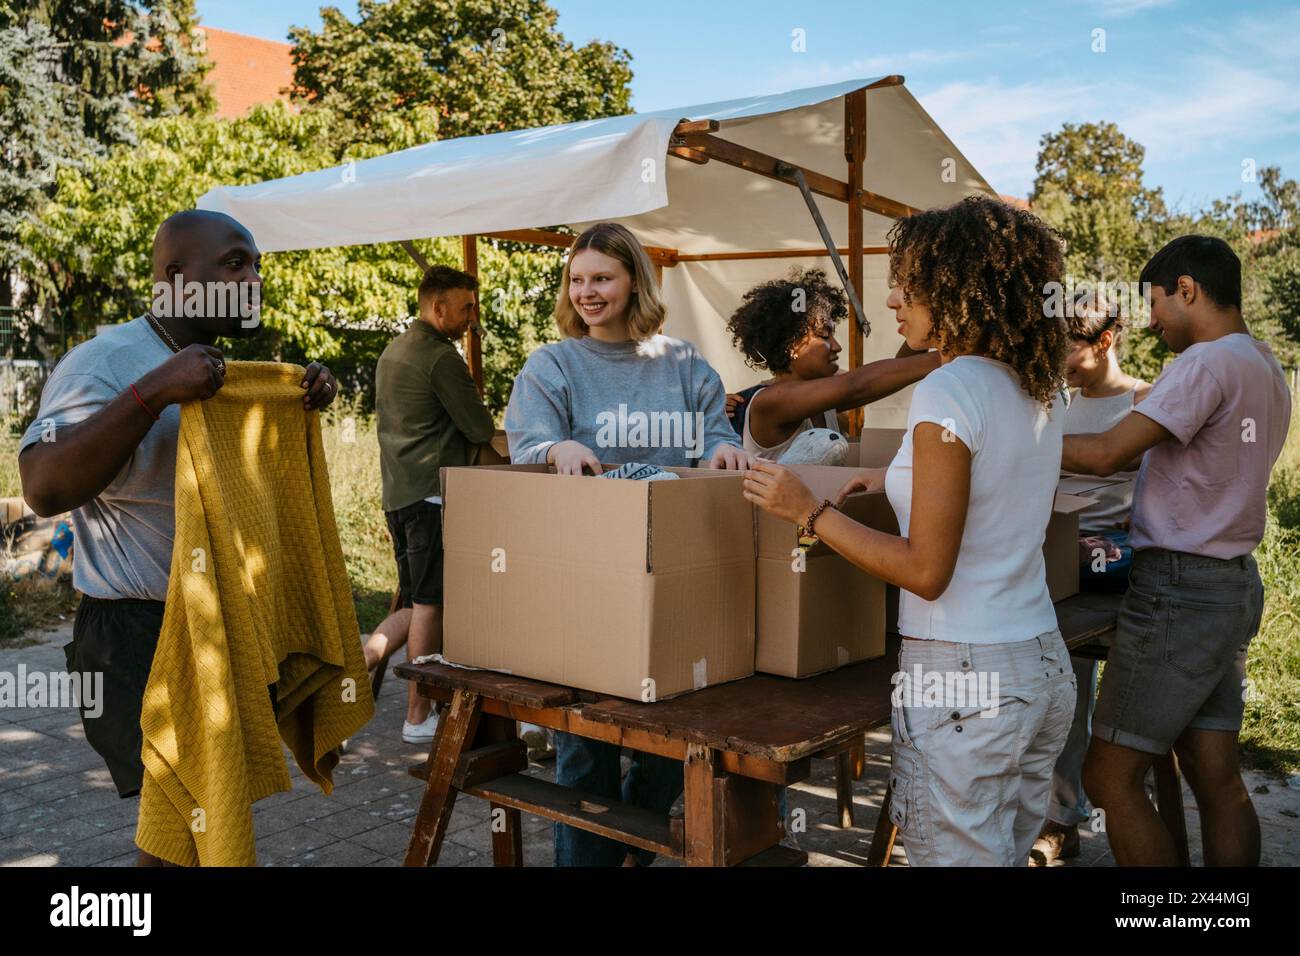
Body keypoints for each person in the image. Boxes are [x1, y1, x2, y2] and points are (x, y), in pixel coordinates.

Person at [743, 195, 1076, 866]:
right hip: (1039, 665)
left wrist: (809, 511)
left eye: (908, 282)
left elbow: (927, 570)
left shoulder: (950, 390)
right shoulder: (1036, 384)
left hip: (962, 672)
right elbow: (990, 496)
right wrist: (892, 486)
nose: (892, 300)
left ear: (959, 288)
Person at [18, 209, 340, 866]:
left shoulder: (219, 365)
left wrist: (299, 396)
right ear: (175, 275)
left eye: (255, 265)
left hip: (216, 630)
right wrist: (152, 393)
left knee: (198, 822)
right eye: (233, 264)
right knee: (180, 827)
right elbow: (43, 486)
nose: (252, 279)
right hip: (133, 640)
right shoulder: (108, 362)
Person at [504, 221, 750, 866]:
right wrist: (558, 446)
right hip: (586, 578)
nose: (587, 292)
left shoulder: (683, 362)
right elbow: (526, 444)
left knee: (670, 739)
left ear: (634, 281)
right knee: (589, 748)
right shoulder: (552, 364)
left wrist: (725, 449)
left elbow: (717, 433)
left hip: (676, 571)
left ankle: (633, 848)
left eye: (602, 278)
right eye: (577, 279)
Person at [1062, 235, 1291, 866]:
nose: (1152, 322)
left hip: (1179, 592)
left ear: (1186, 288)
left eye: (1156, 304)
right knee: (1214, 775)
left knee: (1108, 776)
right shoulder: (1264, 363)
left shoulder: (1203, 364)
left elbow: (1110, 452)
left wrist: (1005, 440)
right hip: (1230, 584)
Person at [1034, 288, 1151, 864]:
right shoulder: (1056, 401)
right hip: (1059, 560)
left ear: (1104, 342)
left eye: (1065, 345)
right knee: (1062, 694)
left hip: (1117, 568)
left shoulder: (1146, 402)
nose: (1053, 356)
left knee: (1093, 698)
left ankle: (1065, 815)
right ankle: (1054, 812)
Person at [371, 265, 498, 745]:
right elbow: (480, 429)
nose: (471, 317)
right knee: (430, 604)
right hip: (431, 494)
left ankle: (352, 668)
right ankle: (417, 716)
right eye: (465, 307)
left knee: (416, 596)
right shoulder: (441, 358)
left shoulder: (394, 349)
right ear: (438, 306)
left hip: (398, 492)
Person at [725, 267, 939, 461]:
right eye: (824, 336)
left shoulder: (824, 394)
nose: (837, 346)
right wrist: (949, 354)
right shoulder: (770, 401)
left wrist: (930, 325)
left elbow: (898, 369)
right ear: (791, 345)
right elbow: (858, 385)